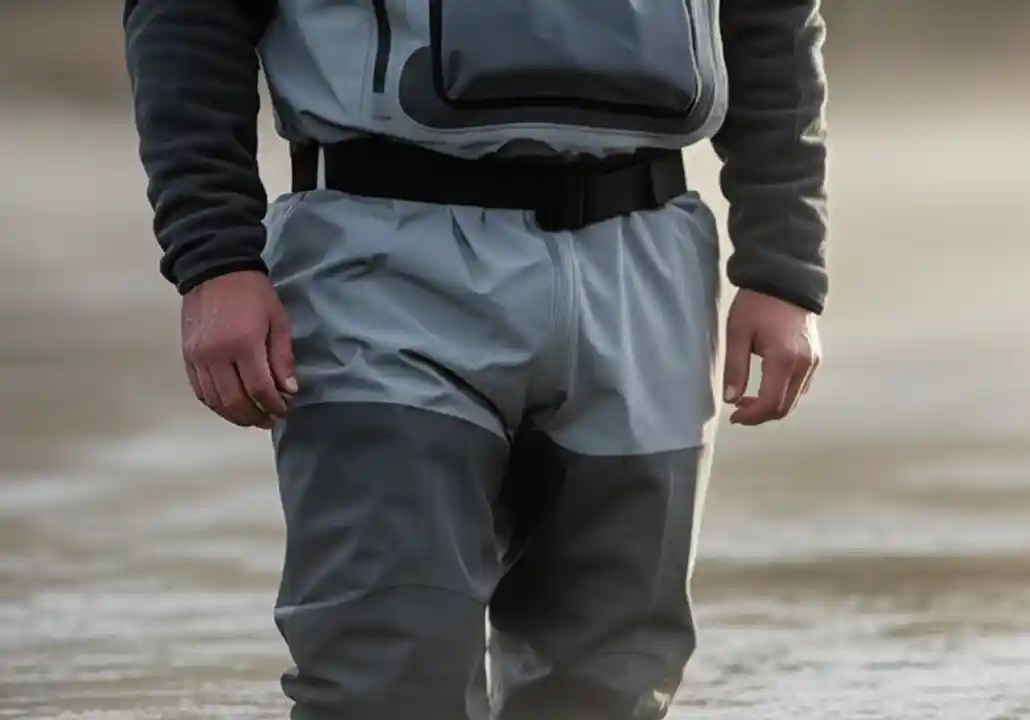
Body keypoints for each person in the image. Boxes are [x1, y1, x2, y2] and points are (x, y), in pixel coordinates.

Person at [124, 0, 827, 717]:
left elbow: (770, 17)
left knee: (607, 683)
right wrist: (214, 255)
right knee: (389, 674)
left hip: (646, 253)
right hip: (384, 250)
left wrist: (784, 263)